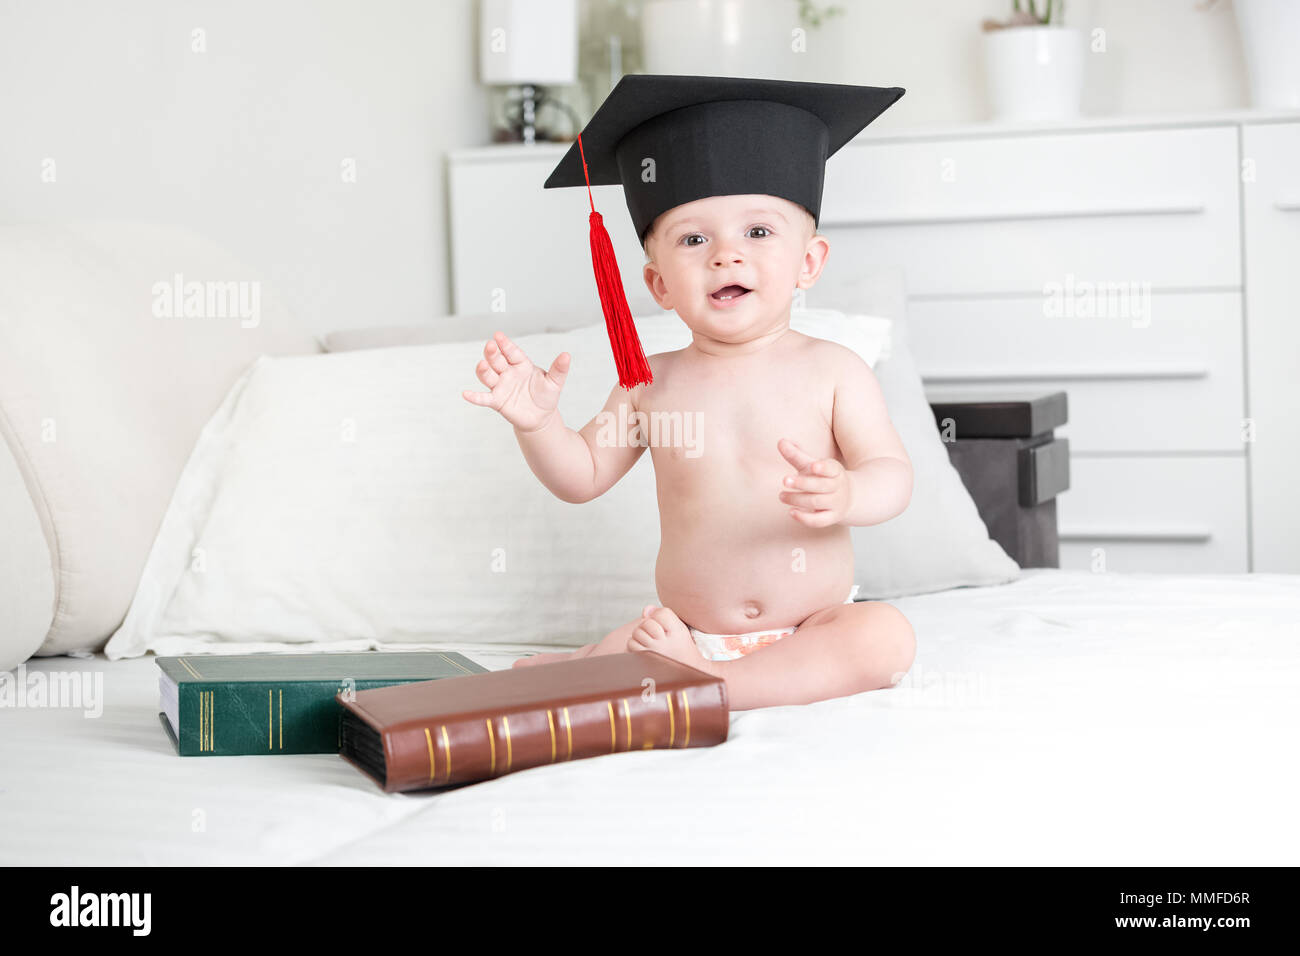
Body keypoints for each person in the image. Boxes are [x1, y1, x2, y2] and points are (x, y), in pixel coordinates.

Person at [462, 75, 916, 710]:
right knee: (628, 647)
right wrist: (537, 424)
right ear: (659, 285)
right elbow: (582, 476)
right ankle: (621, 665)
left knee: (883, 638)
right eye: (694, 239)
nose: (726, 256)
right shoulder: (650, 382)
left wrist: (849, 492)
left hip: (813, 624)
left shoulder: (835, 370)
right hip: (688, 633)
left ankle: (723, 687)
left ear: (808, 262)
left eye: (758, 232)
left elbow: (892, 475)